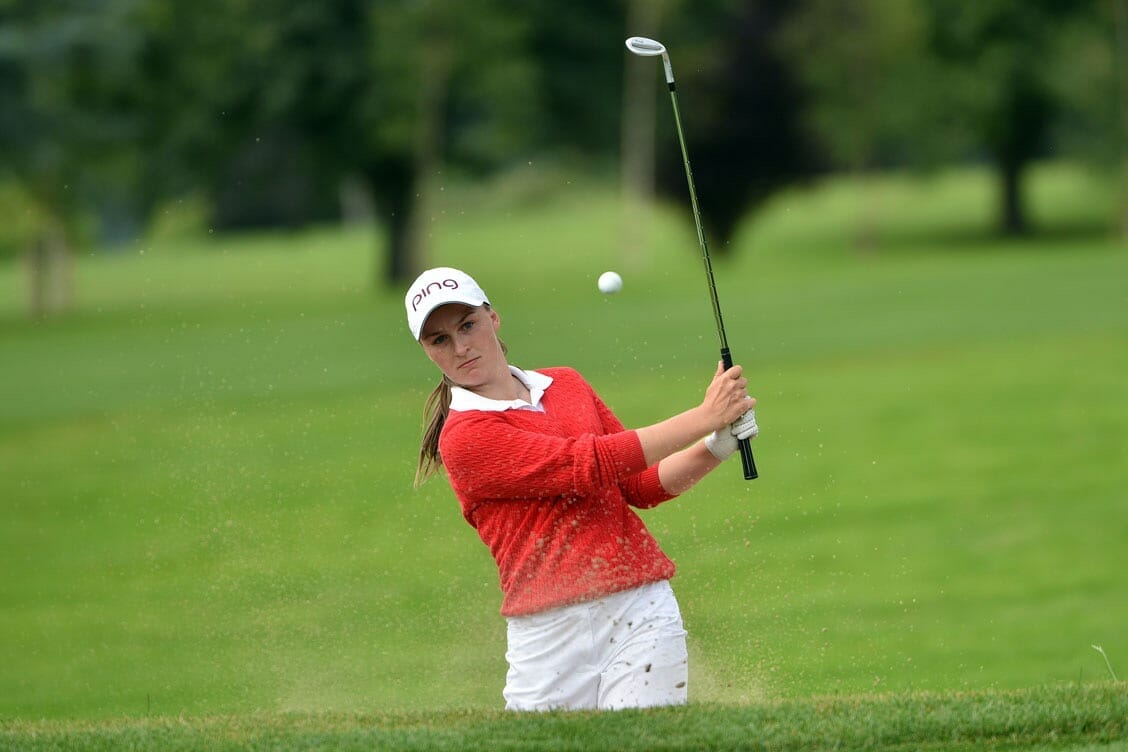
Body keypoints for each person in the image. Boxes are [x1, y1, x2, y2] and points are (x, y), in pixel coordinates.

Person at [405, 266, 758, 712]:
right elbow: (588, 465)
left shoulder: (566, 384)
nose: (460, 347)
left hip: (640, 610)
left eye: (467, 325)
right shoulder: (465, 437)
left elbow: (639, 485)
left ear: (492, 318)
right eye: (439, 340)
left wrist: (717, 444)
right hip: (549, 636)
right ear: (426, 350)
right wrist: (703, 416)